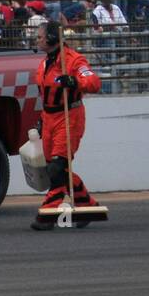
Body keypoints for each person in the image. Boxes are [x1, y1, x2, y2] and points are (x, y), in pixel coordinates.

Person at [30, 21, 104, 231]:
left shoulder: (73, 60)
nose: (38, 40)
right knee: (57, 169)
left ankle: (49, 214)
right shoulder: (44, 63)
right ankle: (88, 206)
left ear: (52, 38)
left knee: (56, 168)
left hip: (69, 116)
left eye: (40, 37)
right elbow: (45, 95)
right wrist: (41, 119)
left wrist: (73, 81)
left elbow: (94, 83)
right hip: (49, 118)